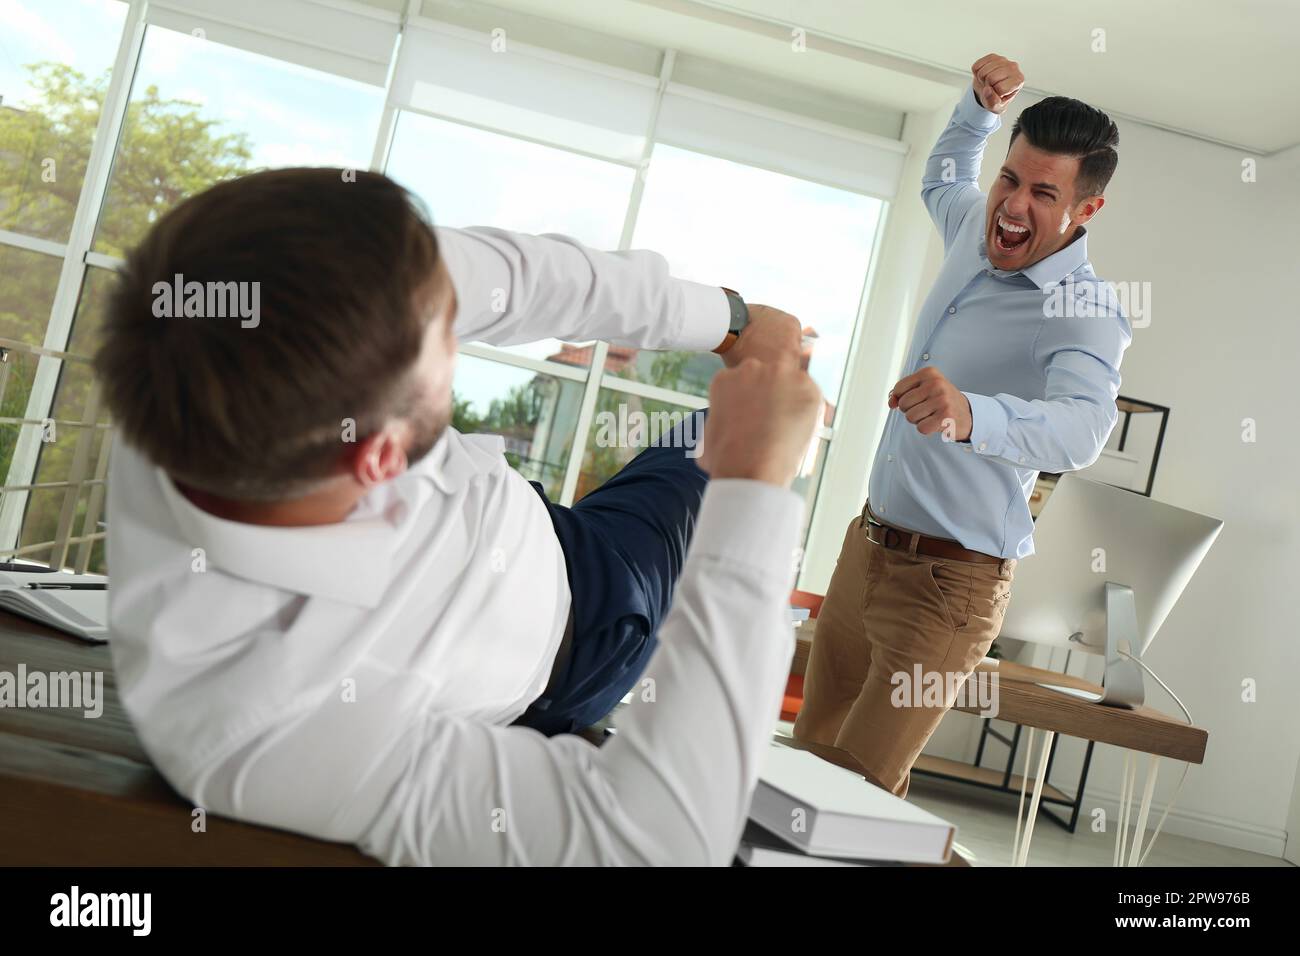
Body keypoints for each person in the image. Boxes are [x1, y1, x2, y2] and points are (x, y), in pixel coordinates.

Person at [95, 167, 824, 865]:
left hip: (536, 526)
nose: (466, 315)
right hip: (585, 636)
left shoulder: (250, 303)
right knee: (726, 436)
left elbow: (528, 278)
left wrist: (732, 322)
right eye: (451, 340)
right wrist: (756, 485)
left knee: (722, 419)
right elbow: (652, 840)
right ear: (385, 464)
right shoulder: (249, 727)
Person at [794, 53, 1132, 797]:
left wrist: (972, 413)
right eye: (1011, 178)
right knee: (805, 765)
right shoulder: (973, 232)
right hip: (867, 549)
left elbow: (1081, 432)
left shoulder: (1086, 309)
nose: (1012, 205)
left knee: (852, 794)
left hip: (949, 586)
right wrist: (977, 110)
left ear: (1086, 209)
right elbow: (944, 177)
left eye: (1044, 192)